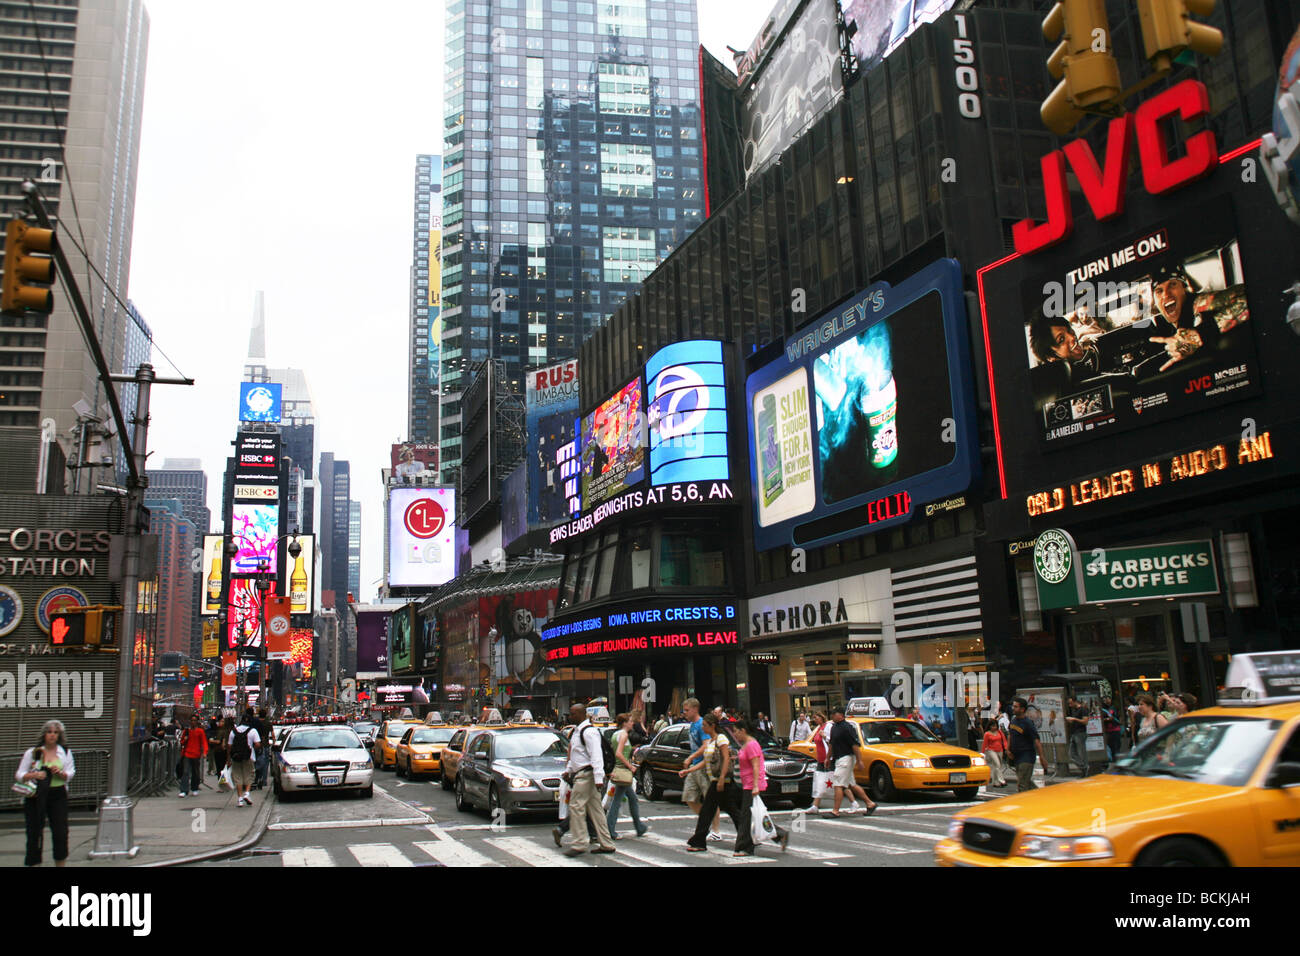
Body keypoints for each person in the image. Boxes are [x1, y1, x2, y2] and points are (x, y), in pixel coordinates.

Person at [558, 703, 616, 857]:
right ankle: (607, 843)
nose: (570, 716)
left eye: (573, 714)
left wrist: (599, 777)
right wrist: (568, 770)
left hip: (586, 775)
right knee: (596, 810)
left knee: (576, 807)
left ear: (581, 714)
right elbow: (577, 755)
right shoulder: (577, 731)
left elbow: (596, 755)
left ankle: (579, 843)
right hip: (584, 774)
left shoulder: (588, 732)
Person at [15, 719, 75, 867]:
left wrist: (60, 773)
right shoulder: (33, 752)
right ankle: (34, 862)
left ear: (60, 735)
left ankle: (60, 863)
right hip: (37, 795)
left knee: (60, 832)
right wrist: (34, 775)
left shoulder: (65, 752)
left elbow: (71, 772)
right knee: (34, 832)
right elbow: (19, 774)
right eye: (49, 732)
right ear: (44, 734)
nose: (52, 735)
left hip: (57, 794)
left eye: (55, 732)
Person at [685, 713, 747, 853]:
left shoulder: (721, 739)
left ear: (712, 726)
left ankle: (700, 841)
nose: (703, 727)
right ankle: (746, 838)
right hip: (715, 781)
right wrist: (689, 770)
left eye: (705, 725)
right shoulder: (712, 741)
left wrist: (721, 778)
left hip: (722, 782)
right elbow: (705, 762)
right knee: (728, 811)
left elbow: (726, 759)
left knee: (711, 812)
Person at [733, 719, 788, 855]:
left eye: (735, 732)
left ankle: (744, 847)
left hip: (752, 785)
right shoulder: (746, 744)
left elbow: (756, 766)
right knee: (754, 815)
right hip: (747, 784)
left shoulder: (752, 745)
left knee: (746, 817)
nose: (735, 735)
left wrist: (756, 786)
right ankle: (779, 834)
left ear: (742, 730)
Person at [678, 697, 722, 841]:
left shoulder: (701, 725)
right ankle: (706, 821)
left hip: (704, 766)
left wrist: (691, 758)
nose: (684, 713)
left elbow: (706, 745)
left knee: (710, 799)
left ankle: (716, 830)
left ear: (695, 709)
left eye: (687, 710)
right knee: (689, 797)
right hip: (694, 766)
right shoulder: (692, 725)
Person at [828, 707, 878, 817]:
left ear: (840, 715)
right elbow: (831, 744)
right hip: (839, 758)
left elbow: (855, 745)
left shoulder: (847, 727)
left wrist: (860, 760)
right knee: (851, 784)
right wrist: (828, 758)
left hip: (846, 758)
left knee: (838, 784)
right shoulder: (834, 727)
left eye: (834, 714)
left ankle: (835, 811)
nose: (832, 716)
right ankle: (870, 803)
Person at [606, 713, 649, 839]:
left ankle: (639, 826)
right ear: (624, 723)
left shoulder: (615, 734)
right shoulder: (624, 735)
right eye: (630, 721)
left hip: (619, 770)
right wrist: (630, 766)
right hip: (623, 771)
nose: (632, 723)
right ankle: (610, 828)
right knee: (617, 800)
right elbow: (619, 753)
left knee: (632, 798)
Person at [1008, 697, 1051, 791]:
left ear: (1022, 709)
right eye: (1013, 706)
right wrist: (1008, 750)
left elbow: (1036, 741)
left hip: (1026, 757)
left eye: (1015, 706)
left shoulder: (1028, 723)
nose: (1013, 708)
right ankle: (1042, 796)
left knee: (1022, 784)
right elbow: (1010, 735)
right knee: (1025, 781)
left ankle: (1025, 803)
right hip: (1016, 756)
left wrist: (1042, 758)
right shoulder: (1013, 720)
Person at [227, 709, 262, 807]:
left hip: (236, 757)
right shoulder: (253, 731)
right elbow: (258, 744)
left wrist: (228, 759)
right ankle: (247, 793)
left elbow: (229, 746)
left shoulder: (233, 731)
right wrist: (252, 749)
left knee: (238, 778)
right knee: (249, 776)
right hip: (249, 757)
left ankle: (240, 799)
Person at [178, 714, 209, 797]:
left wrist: (205, 752)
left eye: (194, 720)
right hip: (187, 754)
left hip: (196, 754)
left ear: (197, 722)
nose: (193, 722)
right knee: (185, 772)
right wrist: (184, 740)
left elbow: (204, 742)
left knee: (195, 772)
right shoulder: (187, 731)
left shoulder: (200, 731)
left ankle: (194, 788)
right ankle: (184, 790)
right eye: (191, 720)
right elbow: (181, 742)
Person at [1065, 696, 1089, 776]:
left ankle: (1084, 769)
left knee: (1081, 752)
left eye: (1071, 703)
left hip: (1080, 733)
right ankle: (1083, 766)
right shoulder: (1074, 710)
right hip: (1074, 733)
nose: (1070, 705)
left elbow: (1085, 721)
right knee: (1071, 754)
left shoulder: (1083, 709)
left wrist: (1074, 719)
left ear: (1075, 701)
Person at [982, 718, 1008, 788]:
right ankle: (1002, 780)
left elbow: (1004, 741)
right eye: (992, 726)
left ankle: (995, 782)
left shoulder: (999, 732)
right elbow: (984, 744)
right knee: (997, 764)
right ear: (989, 726)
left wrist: (1006, 748)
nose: (994, 727)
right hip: (991, 750)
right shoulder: (987, 734)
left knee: (995, 766)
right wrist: (983, 753)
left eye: (995, 726)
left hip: (1000, 750)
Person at [1099, 696, 1123, 762]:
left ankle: (1116, 760)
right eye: (1104, 700)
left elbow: (1117, 717)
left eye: (1108, 699)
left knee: (1116, 746)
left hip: (1115, 729)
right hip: (1108, 730)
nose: (1106, 701)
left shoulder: (1114, 708)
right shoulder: (1103, 709)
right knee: (1111, 746)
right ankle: (1114, 759)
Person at [253, 706, 272, 790]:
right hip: (266, 745)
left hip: (256, 745)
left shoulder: (255, 723)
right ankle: (263, 780)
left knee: (256, 763)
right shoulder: (268, 723)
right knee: (265, 764)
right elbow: (273, 735)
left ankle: (256, 779)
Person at [206, 713, 226, 777]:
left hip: (223, 752)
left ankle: (222, 781)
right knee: (218, 767)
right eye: (221, 721)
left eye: (223, 721)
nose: (222, 723)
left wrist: (214, 741)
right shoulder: (216, 730)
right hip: (216, 750)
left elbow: (220, 741)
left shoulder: (225, 731)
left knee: (222, 768)